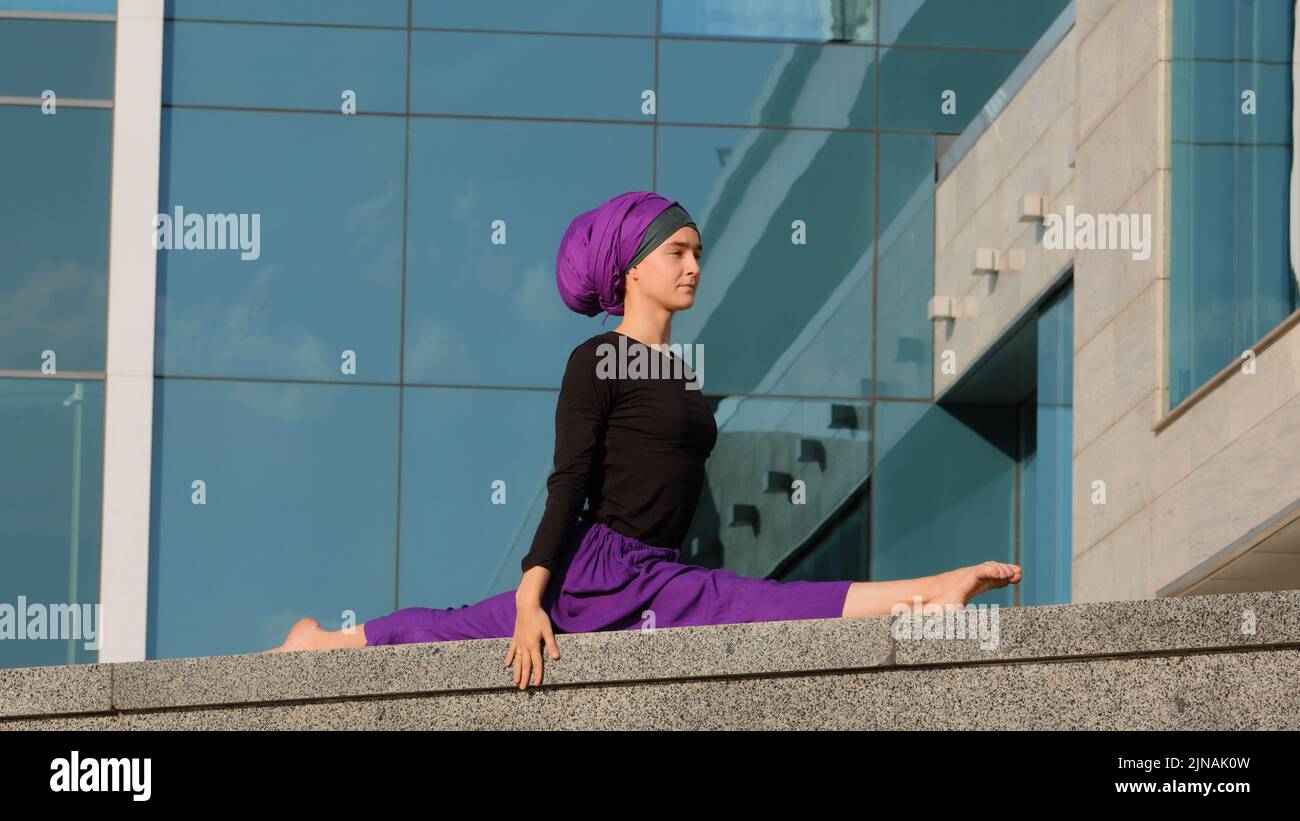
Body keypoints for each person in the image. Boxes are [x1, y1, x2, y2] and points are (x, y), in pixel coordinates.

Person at [264, 191, 1022, 688]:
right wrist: (532, 594)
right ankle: (320, 643)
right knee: (451, 628)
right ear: (631, 270)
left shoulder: (679, 375)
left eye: (697, 253)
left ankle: (930, 590)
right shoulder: (597, 359)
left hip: (656, 567)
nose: (693, 267)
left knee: (760, 604)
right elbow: (569, 480)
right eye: (677, 253)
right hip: (596, 569)